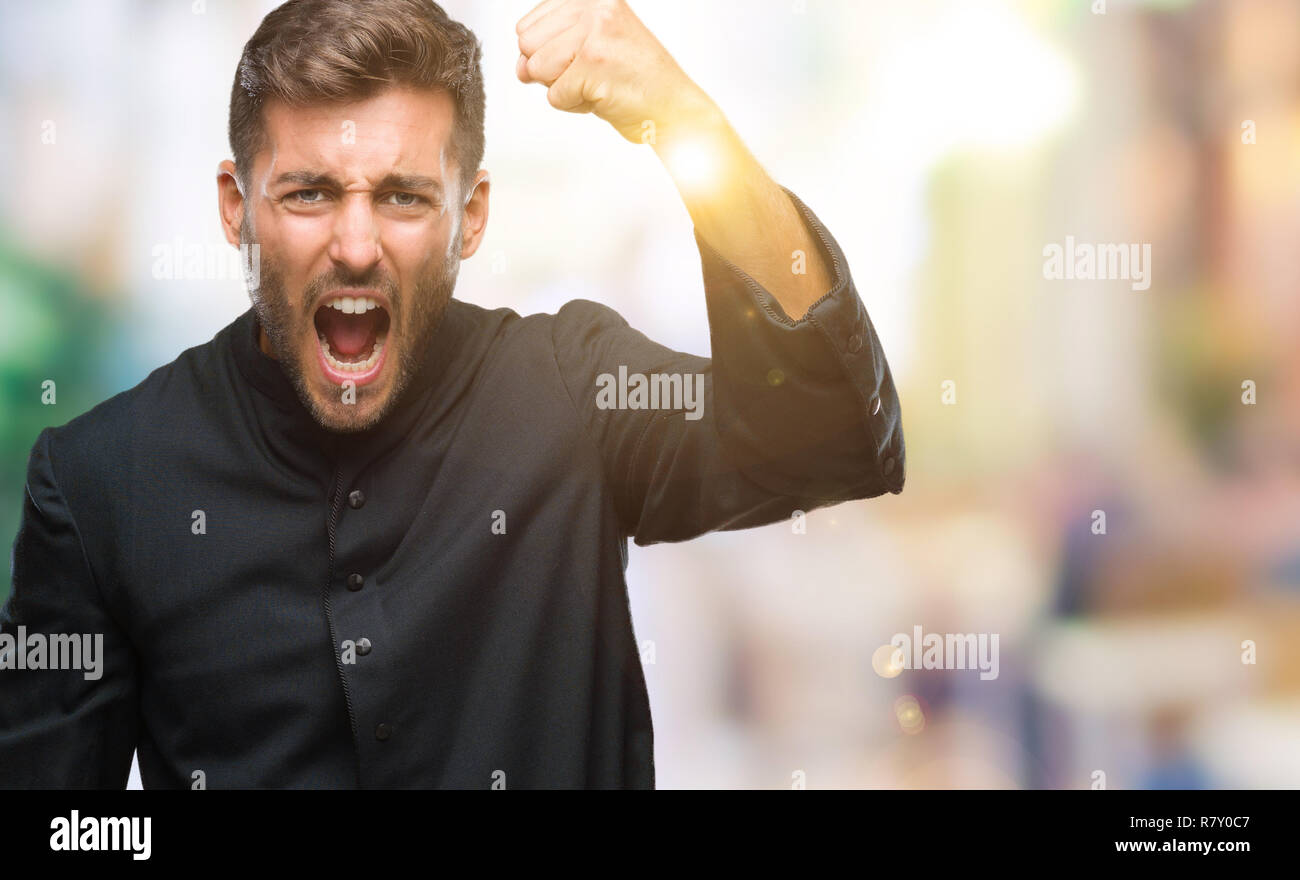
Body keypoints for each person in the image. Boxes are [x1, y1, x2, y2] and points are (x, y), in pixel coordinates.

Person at [0, 0, 904, 788]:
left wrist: (685, 120)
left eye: (401, 197)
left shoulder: (576, 393)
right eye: (310, 193)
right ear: (236, 207)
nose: (356, 245)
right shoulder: (99, 483)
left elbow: (826, 431)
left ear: (469, 217)